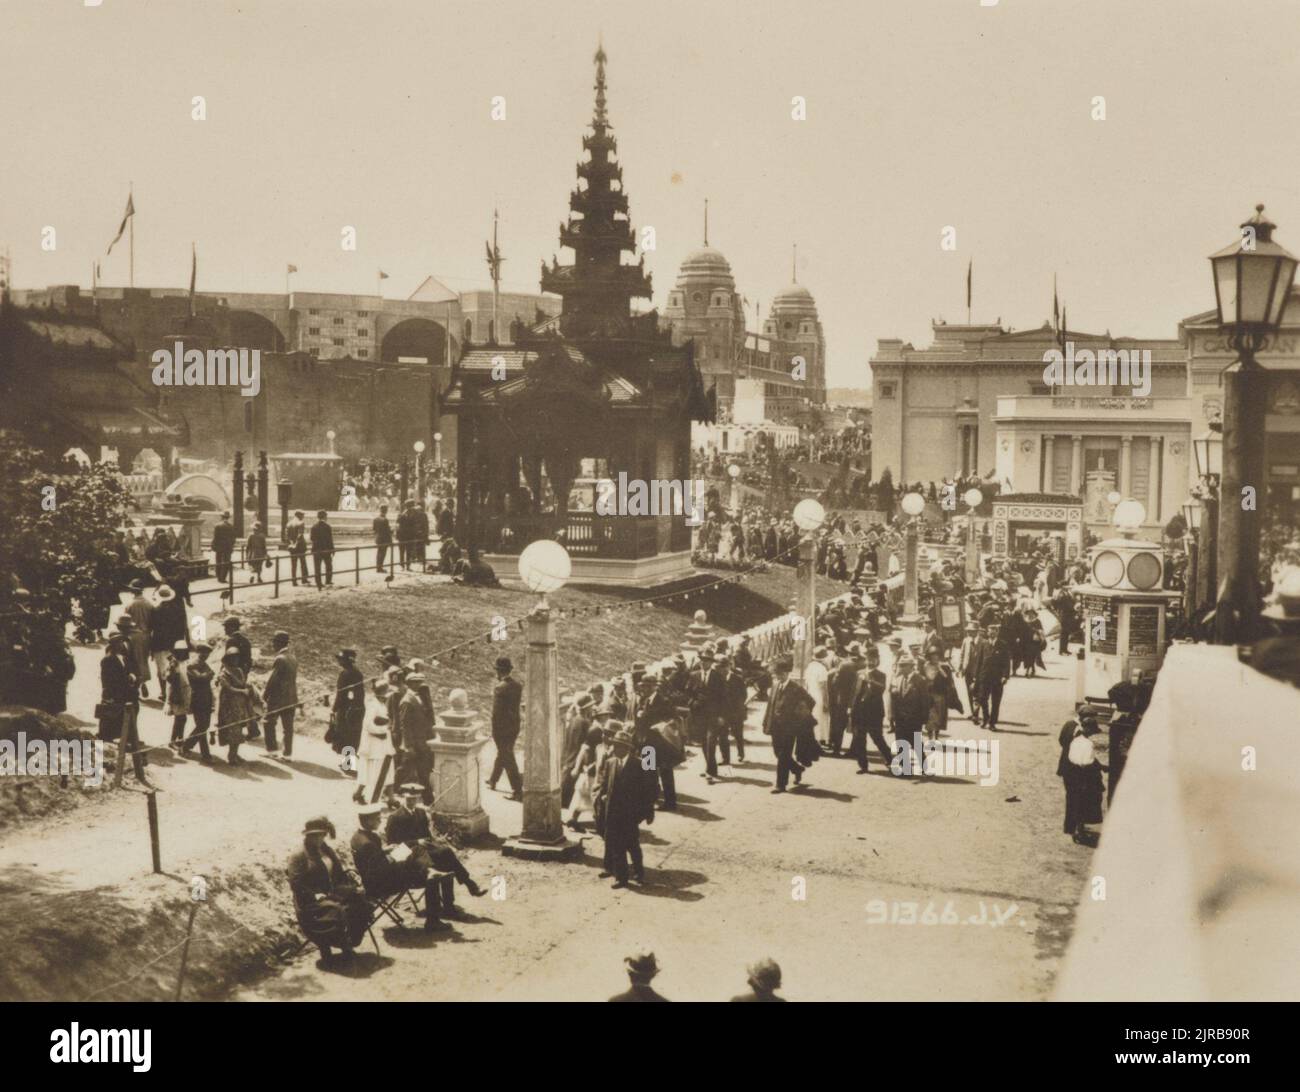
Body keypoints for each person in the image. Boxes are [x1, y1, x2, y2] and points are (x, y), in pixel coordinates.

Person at [350, 803, 455, 933]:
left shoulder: (359, 836)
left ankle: (430, 871)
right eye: (377, 818)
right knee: (429, 875)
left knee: (415, 851)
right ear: (367, 820)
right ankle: (433, 922)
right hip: (381, 885)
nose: (380, 820)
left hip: (376, 879)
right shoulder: (367, 843)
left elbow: (372, 860)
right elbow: (379, 869)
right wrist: (397, 858)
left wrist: (386, 851)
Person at [286, 816, 370, 964]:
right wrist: (314, 894)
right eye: (315, 836)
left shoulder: (327, 850)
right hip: (309, 900)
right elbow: (296, 883)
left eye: (322, 835)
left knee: (360, 901)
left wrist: (348, 877)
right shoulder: (299, 855)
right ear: (308, 836)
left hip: (331, 892)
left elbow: (336, 873)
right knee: (335, 910)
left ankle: (350, 942)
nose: (319, 839)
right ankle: (330, 947)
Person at [384, 785, 487, 898]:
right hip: (408, 856)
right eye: (408, 799)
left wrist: (435, 840)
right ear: (403, 797)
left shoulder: (421, 813)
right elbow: (392, 844)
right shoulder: (395, 817)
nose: (411, 801)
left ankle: (458, 897)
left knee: (446, 855)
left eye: (414, 799)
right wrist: (416, 842)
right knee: (445, 860)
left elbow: (426, 836)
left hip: (424, 852)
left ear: (418, 798)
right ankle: (468, 887)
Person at [597, 725, 654, 888]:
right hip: (613, 812)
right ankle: (621, 877)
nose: (614, 748)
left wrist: (645, 812)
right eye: (614, 745)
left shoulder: (639, 765)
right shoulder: (610, 763)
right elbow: (605, 784)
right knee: (615, 844)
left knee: (633, 845)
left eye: (618, 746)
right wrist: (602, 797)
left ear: (626, 748)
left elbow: (647, 790)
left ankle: (639, 872)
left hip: (630, 814)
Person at [98, 633, 147, 781]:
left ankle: (126, 759)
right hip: (115, 699)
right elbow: (108, 681)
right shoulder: (107, 660)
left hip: (128, 698)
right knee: (107, 732)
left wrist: (133, 677)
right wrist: (111, 696)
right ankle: (105, 762)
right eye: (119, 643)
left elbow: (131, 672)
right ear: (114, 645)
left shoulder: (124, 658)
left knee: (126, 729)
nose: (122, 645)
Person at [763, 654, 815, 794]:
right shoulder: (775, 686)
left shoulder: (796, 689)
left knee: (784, 755)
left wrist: (799, 714)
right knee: (777, 753)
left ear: (787, 673)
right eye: (776, 674)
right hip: (775, 727)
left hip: (789, 729)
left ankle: (781, 785)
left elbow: (810, 701)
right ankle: (797, 769)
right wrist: (766, 723)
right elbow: (771, 706)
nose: (778, 677)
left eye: (780, 674)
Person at [1058, 716, 1105, 843]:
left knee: (1074, 802)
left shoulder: (1076, 740)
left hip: (1072, 774)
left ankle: (1074, 829)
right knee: (1083, 804)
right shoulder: (1087, 743)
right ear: (1088, 730)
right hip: (1083, 776)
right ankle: (1079, 831)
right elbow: (1086, 761)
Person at [849, 647, 892, 773]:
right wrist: (850, 707)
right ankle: (863, 765)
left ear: (877, 660)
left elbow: (881, 689)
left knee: (877, 738)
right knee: (859, 739)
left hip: (874, 712)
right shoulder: (859, 673)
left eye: (873, 659)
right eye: (868, 659)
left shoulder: (880, 675)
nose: (870, 661)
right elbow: (853, 692)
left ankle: (889, 758)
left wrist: (870, 681)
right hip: (859, 711)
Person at [487, 656, 523, 799]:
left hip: (501, 729)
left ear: (500, 671)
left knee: (507, 757)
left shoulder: (499, 688)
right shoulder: (517, 686)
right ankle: (493, 780)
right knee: (504, 753)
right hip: (514, 727)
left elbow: (496, 714)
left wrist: (494, 732)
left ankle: (517, 790)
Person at [396, 672, 435, 796]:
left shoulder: (419, 697)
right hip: (413, 744)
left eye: (420, 681)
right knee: (404, 770)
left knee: (422, 771)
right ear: (409, 683)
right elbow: (405, 726)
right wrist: (408, 746)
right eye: (416, 682)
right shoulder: (407, 701)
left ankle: (428, 798)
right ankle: (389, 791)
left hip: (421, 742)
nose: (419, 684)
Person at [262, 629, 299, 759]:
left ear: (278, 643)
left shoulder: (280, 658)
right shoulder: (293, 657)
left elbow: (273, 679)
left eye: (274, 642)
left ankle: (272, 751)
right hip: (291, 697)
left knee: (268, 722)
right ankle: (287, 754)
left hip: (278, 697)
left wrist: (265, 695)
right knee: (288, 727)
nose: (273, 645)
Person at [217, 647, 255, 766]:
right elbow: (227, 688)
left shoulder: (239, 670)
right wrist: (242, 691)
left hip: (240, 704)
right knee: (233, 730)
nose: (235, 660)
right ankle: (231, 756)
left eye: (237, 657)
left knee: (239, 729)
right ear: (228, 659)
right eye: (233, 658)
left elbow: (244, 684)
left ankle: (235, 753)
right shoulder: (224, 672)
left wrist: (248, 687)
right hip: (228, 705)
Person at [328, 648, 365, 764]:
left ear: (346, 661)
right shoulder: (357, 672)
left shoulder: (345, 674)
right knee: (352, 736)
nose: (339, 661)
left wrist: (333, 709)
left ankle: (348, 764)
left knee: (345, 736)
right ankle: (349, 763)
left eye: (341, 659)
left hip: (346, 710)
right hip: (357, 709)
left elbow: (341, 694)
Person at [827, 643, 861, 756]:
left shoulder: (844, 665)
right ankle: (854, 749)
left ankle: (837, 749)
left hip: (842, 699)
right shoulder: (862, 664)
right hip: (858, 699)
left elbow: (835, 682)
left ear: (848, 653)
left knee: (839, 725)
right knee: (856, 725)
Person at [150, 584, 187, 685]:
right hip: (174, 643)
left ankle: (163, 692)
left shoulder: (155, 610)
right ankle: (175, 690)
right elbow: (181, 627)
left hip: (159, 643)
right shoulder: (177, 609)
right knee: (175, 667)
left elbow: (152, 627)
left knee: (161, 668)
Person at [183, 641, 215, 762]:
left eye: (207, 653)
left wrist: (208, 674)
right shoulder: (192, 665)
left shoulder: (204, 665)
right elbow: (201, 678)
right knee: (202, 726)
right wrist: (208, 674)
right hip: (197, 698)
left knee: (203, 726)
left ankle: (189, 747)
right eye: (203, 652)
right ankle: (202, 753)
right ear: (198, 652)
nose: (205, 655)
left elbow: (208, 675)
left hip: (206, 698)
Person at [977, 625, 1011, 731]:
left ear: (997, 632)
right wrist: (976, 677)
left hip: (997, 678)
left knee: (996, 701)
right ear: (987, 632)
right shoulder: (984, 644)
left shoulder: (1003, 645)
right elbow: (979, 661)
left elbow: (1006, 662)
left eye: (994, 631)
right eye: (990, 631)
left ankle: (992, 723)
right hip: (985, 676)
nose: (991, 633)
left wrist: (1005, 676)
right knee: (982, 698)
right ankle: (985, 717)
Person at [164, 642, 192, 751]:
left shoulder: (184, 663)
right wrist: (171, 670)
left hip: (185, 690)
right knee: (179, 717)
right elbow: (169, 679)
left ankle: (180, 738)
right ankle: (173, 740)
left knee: (182, 717)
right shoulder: (173, 664)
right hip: (176, 692)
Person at [310, 510, 335, 589]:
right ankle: (328, 580)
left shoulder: (314, 526)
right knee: (328, 565)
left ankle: (318, 582)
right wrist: (332, 549)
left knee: (317, 567)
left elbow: (312, 538)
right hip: (326, 549)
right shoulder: (327, 526)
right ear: (324, 516)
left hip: (316, 549)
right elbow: (330, 539)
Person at [211, 511, 236, 585]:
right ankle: (223, 578)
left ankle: (218, 577)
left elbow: (215, 537)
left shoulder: (217, 526)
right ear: (228, 518)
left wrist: (213, 545)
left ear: (221, 517)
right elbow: (233, 538)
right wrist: (231, 545)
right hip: (228, 547)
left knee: (218, 561)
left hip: (219, 546)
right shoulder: (231, 526)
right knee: (226, 562)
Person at [285, 510, 309, 586]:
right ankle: (304, 579)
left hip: (292, 547)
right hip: (300, 546)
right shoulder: (301, 523)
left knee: (293, 564)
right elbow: (300, 535)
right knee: (303, 563)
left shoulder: (289, 523)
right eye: (302, 515)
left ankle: (294, 580)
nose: (303, 516)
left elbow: (286, 536)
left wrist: (291, 543)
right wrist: (296, 544)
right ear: (299, 515)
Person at [373, 504, 393, 572]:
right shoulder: (385, 520)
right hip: (384, 539)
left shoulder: (376, 519)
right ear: (386, 511)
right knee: (383, 554)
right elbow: (387, 532)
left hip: (378, 538)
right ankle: (380, 568)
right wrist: (390, 541)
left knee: (379, 553)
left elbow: (374, 529)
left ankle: (378, 567)